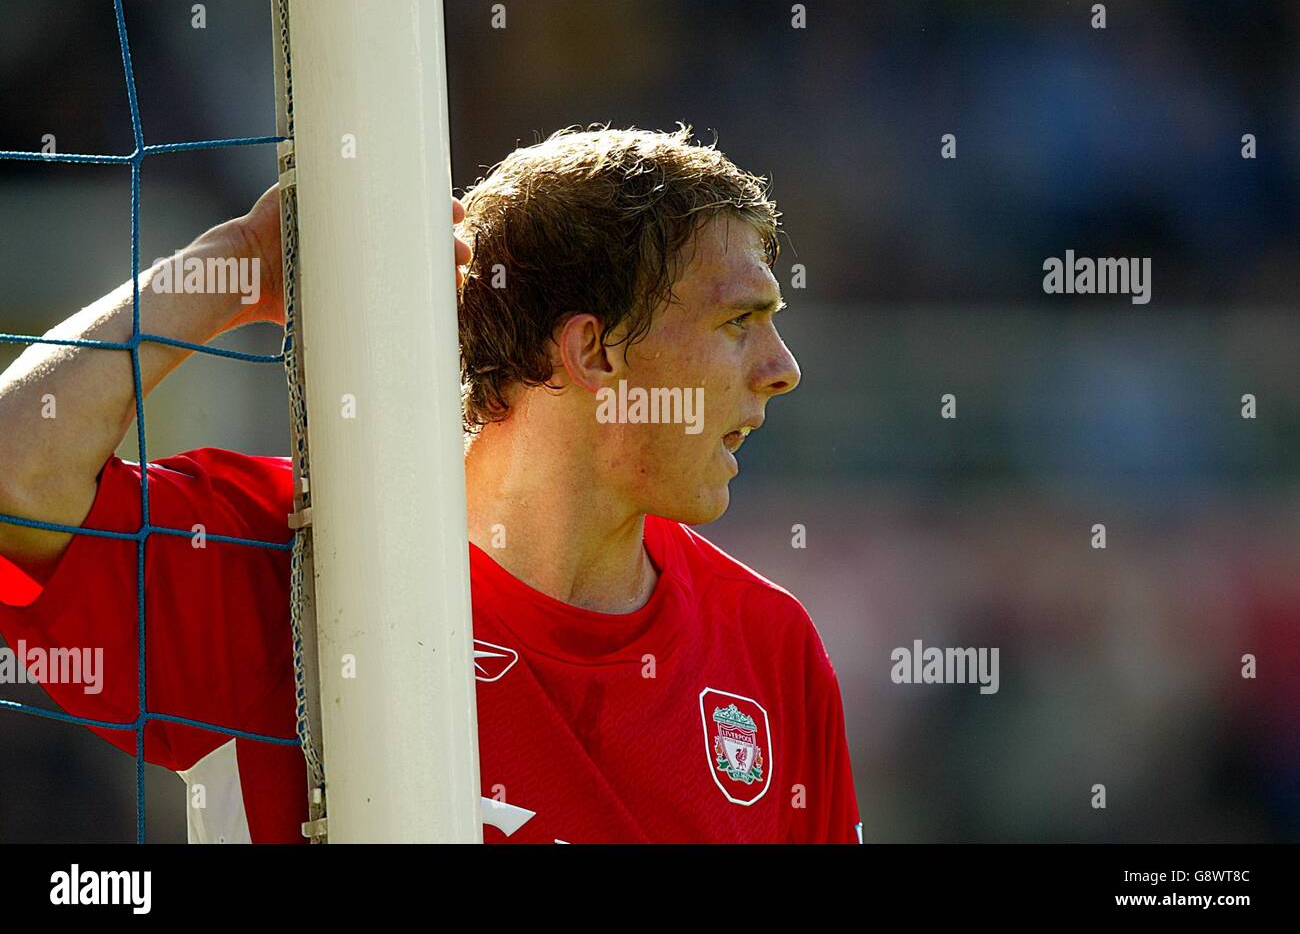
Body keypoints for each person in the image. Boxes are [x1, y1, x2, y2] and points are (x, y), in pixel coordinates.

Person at [0, 124, 860, 843]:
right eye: (739, 321)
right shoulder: (290, 553)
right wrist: (236, 264)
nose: (783, 369)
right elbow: (15, 469)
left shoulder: (771, 647)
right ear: (595, 351)